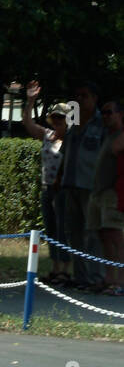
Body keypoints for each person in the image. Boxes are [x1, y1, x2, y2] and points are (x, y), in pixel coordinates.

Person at [20, 82, 71, 284]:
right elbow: (27, 123)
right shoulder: (47, 136)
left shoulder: (72, 140)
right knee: (50, 229)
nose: (57, 121)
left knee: (62, 229)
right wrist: (30, 101)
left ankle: (65, 269)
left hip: (63, 190)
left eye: (61, 118)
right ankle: (55, 267)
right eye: (55, 117)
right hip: (46, 188)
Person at [60, 80, 107, 291]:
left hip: (91, 187)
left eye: (84, 95)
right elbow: (64, 152)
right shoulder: (73, 122)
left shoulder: (102, 123)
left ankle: (96, 277)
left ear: (94, 98)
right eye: (77, 96)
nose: (79, 99)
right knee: (73, 233)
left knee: (92, 233)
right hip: (70, 184)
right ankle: (80, 277)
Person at [89, 100, 124, 296]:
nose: (105, 116)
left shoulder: (120, 135)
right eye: (103, 113)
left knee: (115, 236)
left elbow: (117, 148)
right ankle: (109, 278)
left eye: (109, 112)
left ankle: (121, 281)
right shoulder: (107, 134)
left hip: (113, 192)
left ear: (120, 114)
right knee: (103, 235)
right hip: (98, 192)